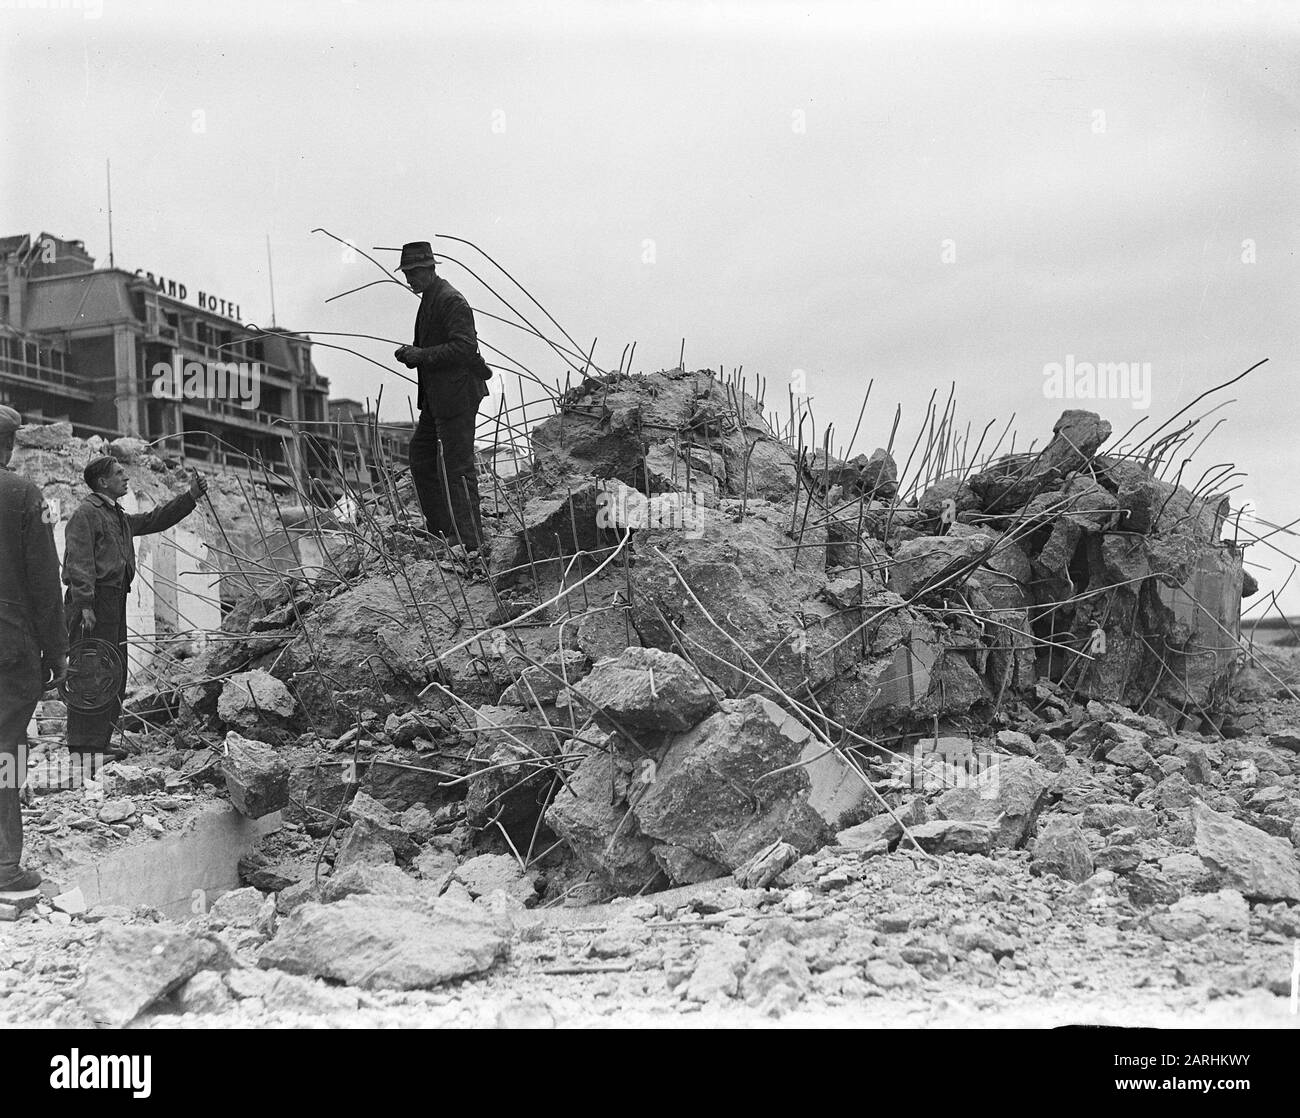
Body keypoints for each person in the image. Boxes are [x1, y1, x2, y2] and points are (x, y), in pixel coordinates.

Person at [62, 457, 207, 760]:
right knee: (90, 671)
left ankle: (98, 743)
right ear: (102, 482)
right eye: (119, 474)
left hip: (113, 600)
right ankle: (82, 747)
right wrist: (86, 604)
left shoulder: (117, 516)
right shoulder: (86, 514)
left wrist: (190, 496)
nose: (126, 477)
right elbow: (79, 562)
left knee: (113, 671)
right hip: (95, 604)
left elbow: (156, 519)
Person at [0, 405, 66, 903]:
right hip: (10, 646)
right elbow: (46, 579)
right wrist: (57, 650)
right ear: (10, 446)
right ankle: (3, 867)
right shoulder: (26, 496)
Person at [392, 240, 490, 551]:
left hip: (458, 397)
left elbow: (464, 347)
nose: (409, 279)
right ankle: (442, 530)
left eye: (413, 273)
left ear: (429, 269)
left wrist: (421, 355)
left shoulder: (450, 301)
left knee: (458, 467)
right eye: (406, 273)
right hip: (438, 399)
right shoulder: (430, 299)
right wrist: (415, 355)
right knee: (422, 457)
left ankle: (470, 541)